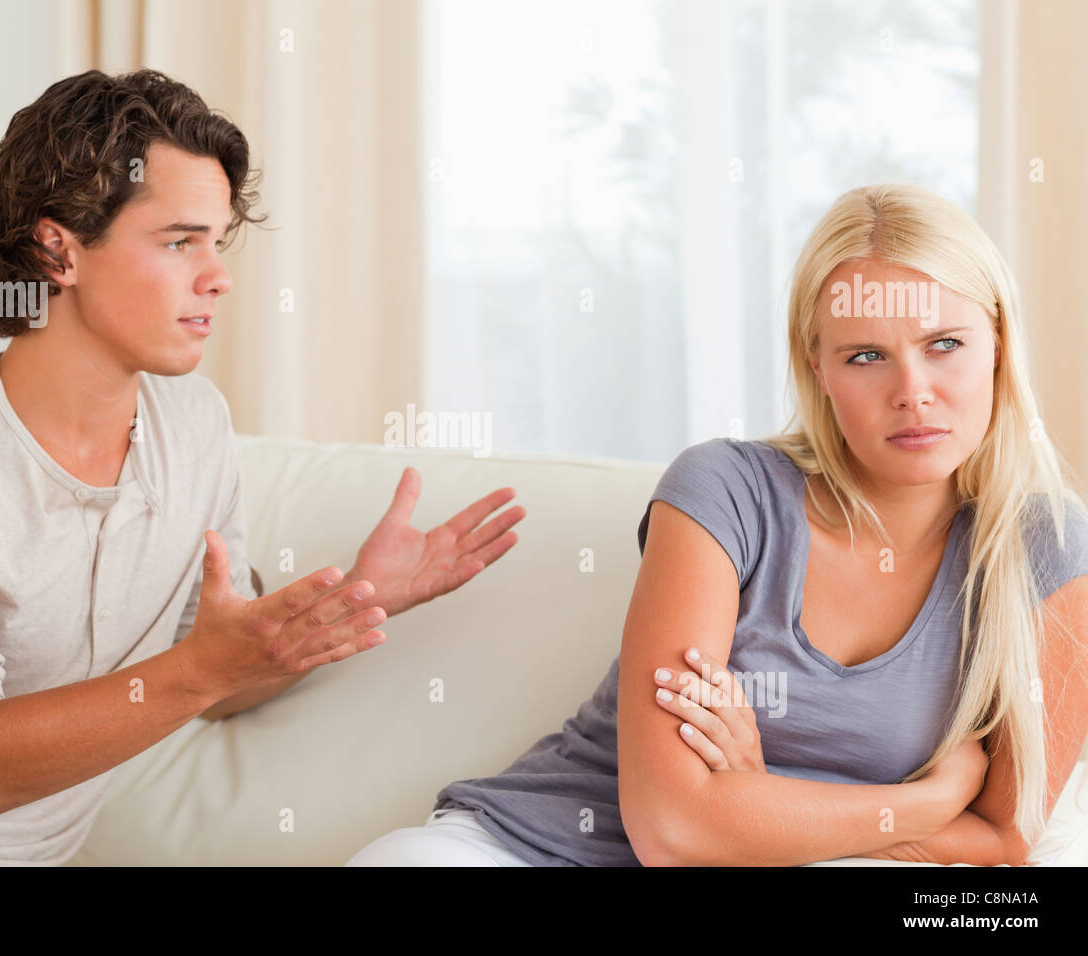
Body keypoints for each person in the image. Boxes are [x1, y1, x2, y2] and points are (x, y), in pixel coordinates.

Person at [0, 68, 525, 866]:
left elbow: (216, 677)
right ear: (58, 248)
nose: (219, 275)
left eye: (218, 242)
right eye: (179, 242)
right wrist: (201, 668)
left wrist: (358, 598)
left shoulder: (195, 425)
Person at [347, 183, 1088, 867]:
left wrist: (754, 800)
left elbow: (1001, 835)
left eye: (945, 345)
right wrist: (921, 804)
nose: (913, 393)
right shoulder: (725, 490)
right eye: (866, 356)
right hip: (535, 848)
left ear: (998, 343)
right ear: (819, 369)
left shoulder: (1047, 546)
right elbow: (671, 827)